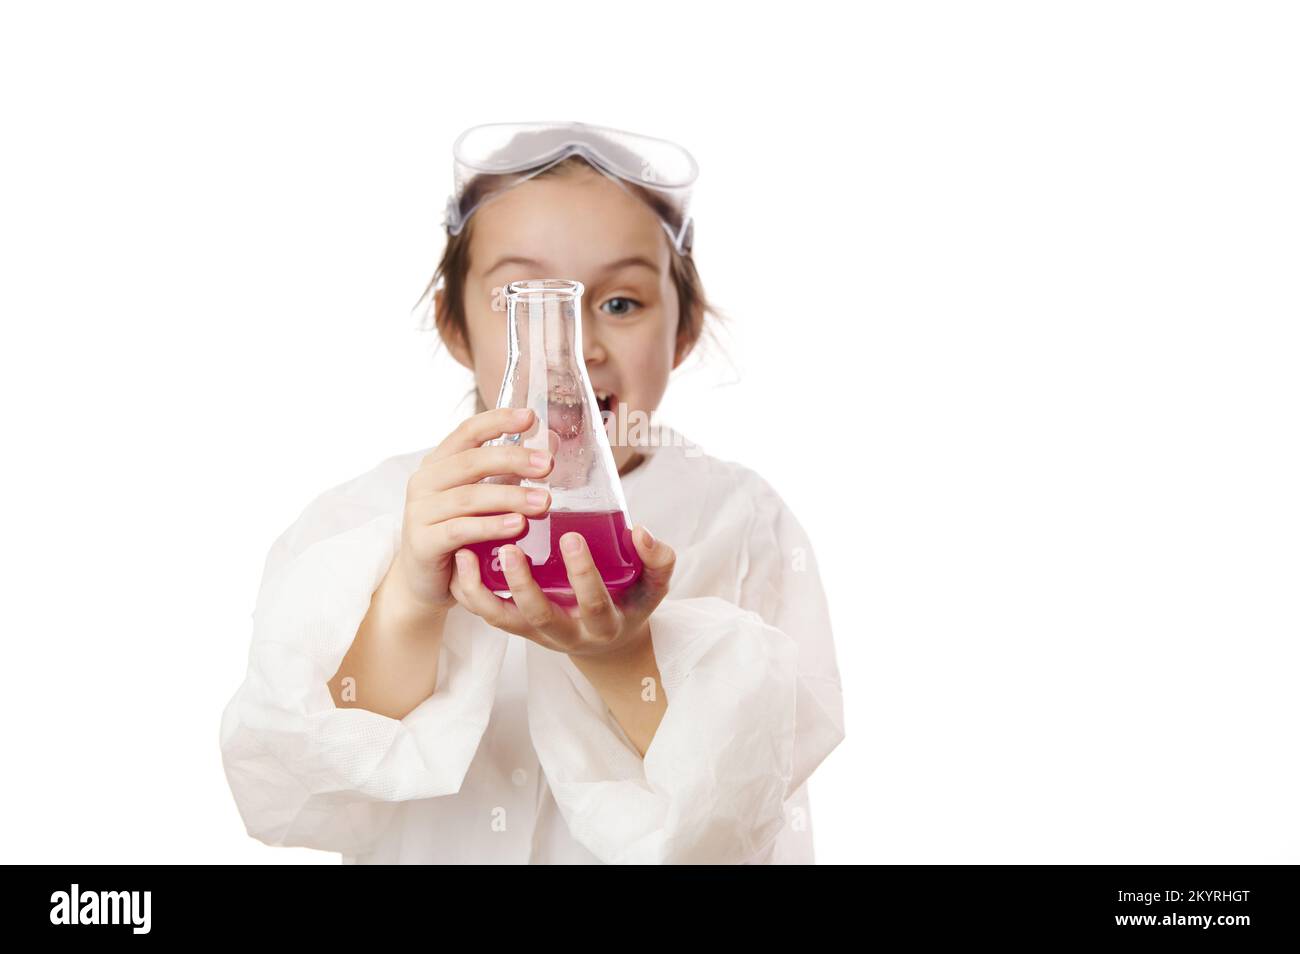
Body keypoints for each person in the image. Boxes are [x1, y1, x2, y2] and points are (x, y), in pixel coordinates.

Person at [218, 121, 845, 863]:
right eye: (522, 303)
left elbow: (744, 812)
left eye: (621, 303)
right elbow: (301, 785)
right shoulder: (375, 515)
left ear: (684, 331)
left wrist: (622, 656)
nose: (573, 347)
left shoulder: (742, 522)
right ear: (454, 326)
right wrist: (412, 599)